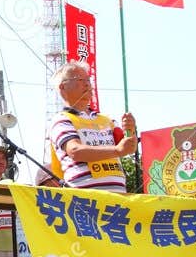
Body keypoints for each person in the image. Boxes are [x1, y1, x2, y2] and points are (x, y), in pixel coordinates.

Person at [47, 63, 136, 195]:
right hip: (85, 199)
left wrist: (131, 131)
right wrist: (118, 150)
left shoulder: (107, 120)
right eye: (80, 80)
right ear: (62, 86)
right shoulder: (62, 119)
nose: (87, 84)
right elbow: (75, 151)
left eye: (88, 80)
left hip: (119, 197)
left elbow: (128, 148)